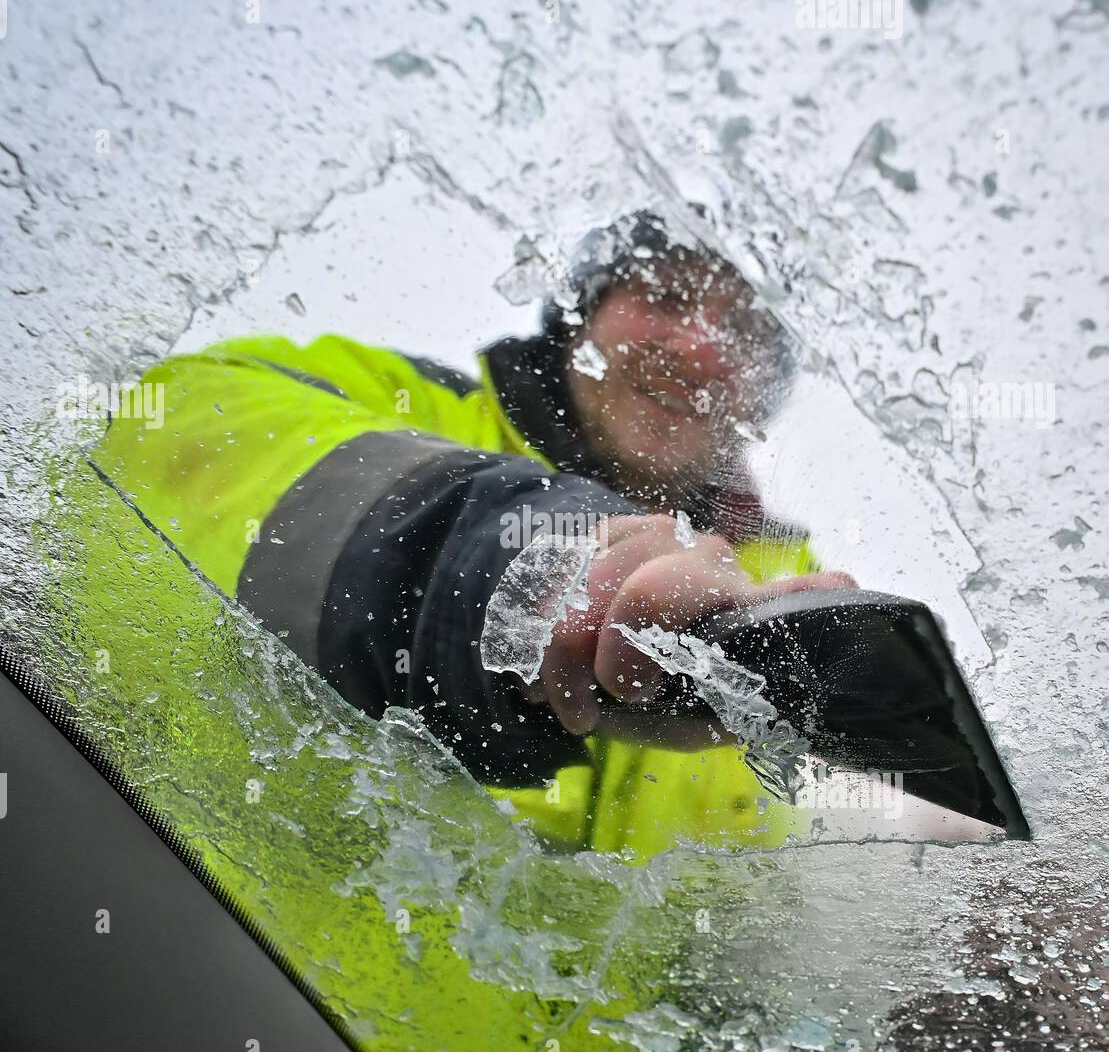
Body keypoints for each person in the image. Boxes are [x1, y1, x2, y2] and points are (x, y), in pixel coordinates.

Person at [93, 207, 853, 858]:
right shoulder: (401, 407)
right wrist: (516, 573)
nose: (701, 351)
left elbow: (772, 915)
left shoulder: (787, 600)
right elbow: (175, 421)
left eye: (751, 333)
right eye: (665, 296)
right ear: (578, 318)